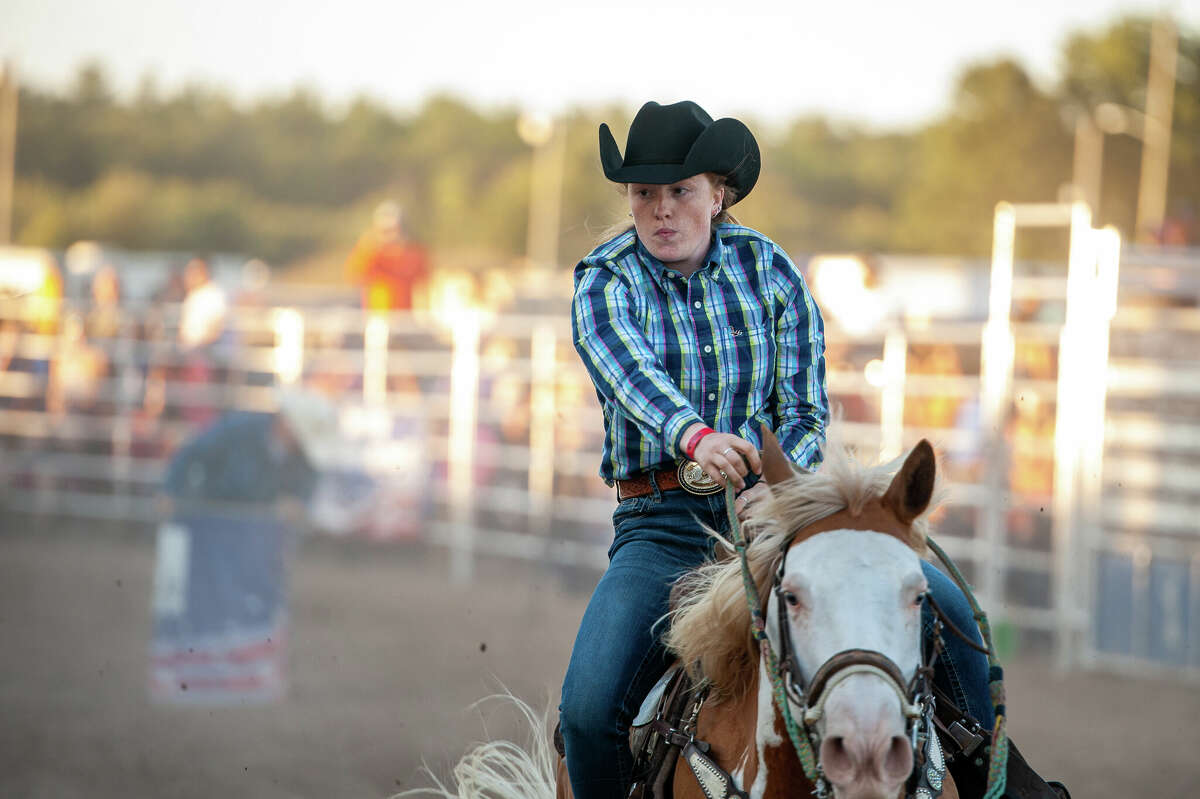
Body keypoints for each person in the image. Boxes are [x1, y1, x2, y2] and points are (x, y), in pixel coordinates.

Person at [559, 101, 1003, 799]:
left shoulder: (770, 271)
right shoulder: (606, 280)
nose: (661, 210)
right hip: (662, 527)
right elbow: (628, 374)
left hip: (782, 516)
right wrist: (697, 438)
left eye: (680, 191)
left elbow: (803, 408)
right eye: (645, 193)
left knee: (952, 624)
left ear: (718, 194)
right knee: (589, 711)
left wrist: (778, 482)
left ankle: (994, 780)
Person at [344, 201, 430, 313]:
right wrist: (371, 247)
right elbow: (354, 275)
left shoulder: (413, 252)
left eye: (394, 229)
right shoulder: (369, 250)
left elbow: (424, 279)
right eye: (385, 231)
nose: (390, 235)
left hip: (406, 316)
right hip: (378, 315)